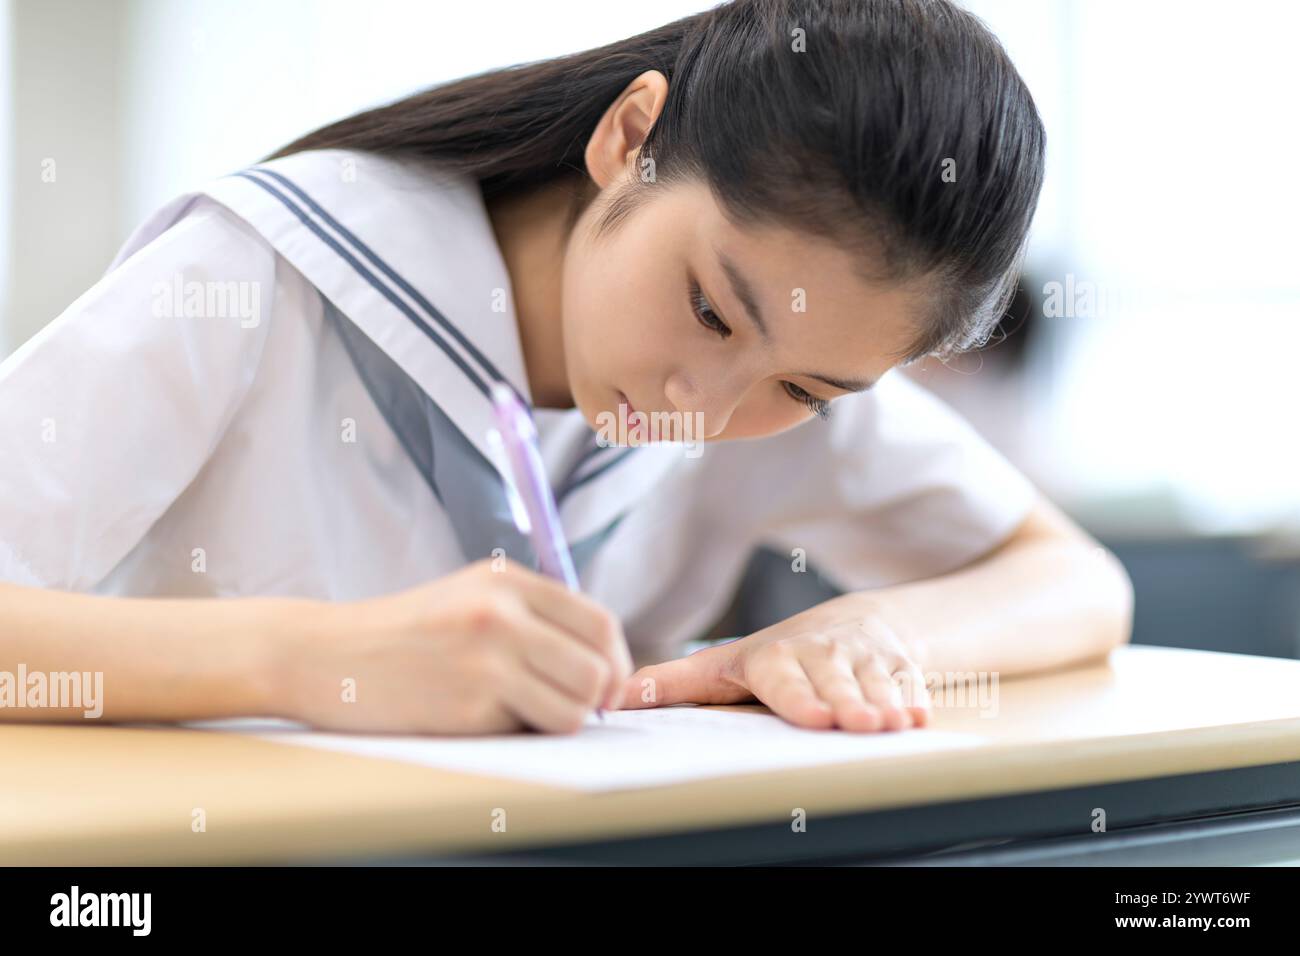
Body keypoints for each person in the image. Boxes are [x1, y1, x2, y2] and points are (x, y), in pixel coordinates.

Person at [0, 0, 1132, 736]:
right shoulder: (263, 267)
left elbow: (1079, 583)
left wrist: (874, 632)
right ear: (630, 136)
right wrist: (309, 660)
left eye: (802, 392)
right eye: (706, 308)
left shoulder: (790, 358)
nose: (702, 409)